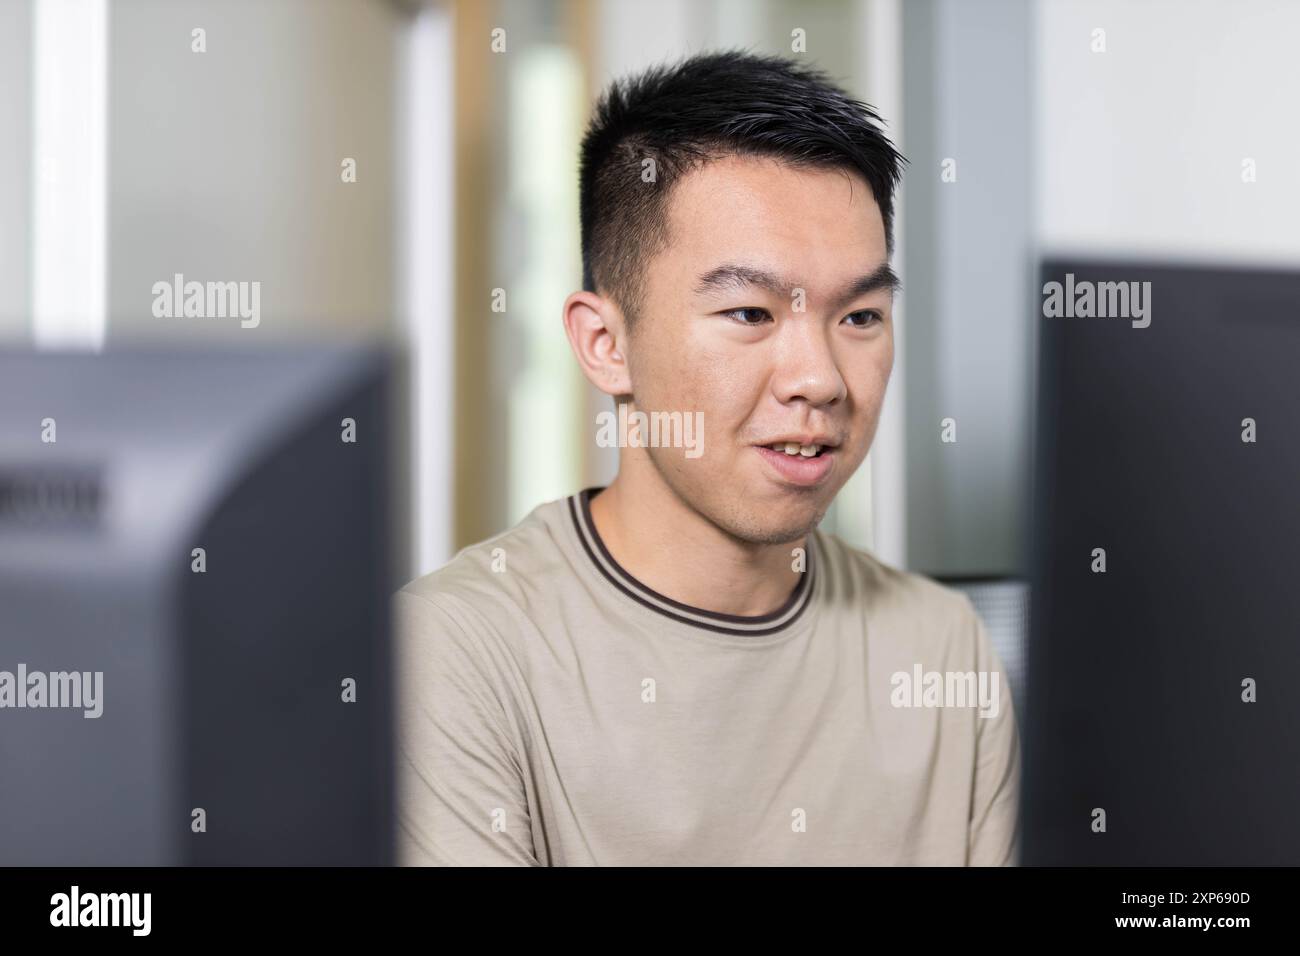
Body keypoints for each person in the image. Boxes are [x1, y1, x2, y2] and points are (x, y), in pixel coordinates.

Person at [396, 50, 1019, 866]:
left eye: (860, 317)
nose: (820, 380)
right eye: (751, 313)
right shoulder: (455, 651)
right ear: (605, 343)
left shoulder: (940, 646)